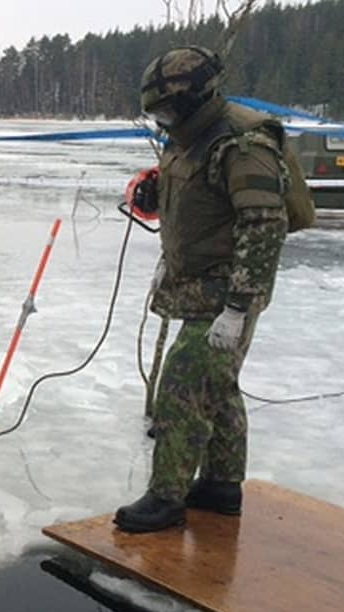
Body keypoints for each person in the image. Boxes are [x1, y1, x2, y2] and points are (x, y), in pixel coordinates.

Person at [114, 46, 289, 533]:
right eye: (158, 113)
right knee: (219, 388)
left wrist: (239, 307)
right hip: (193, 281)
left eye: (169, 110)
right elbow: (194, 201)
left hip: (227, 290)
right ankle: (221, 485)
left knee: (183, 390)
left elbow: (263, 225)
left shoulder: (242, 141)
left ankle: (166, 497)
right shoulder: (188, 139)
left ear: (196, 99)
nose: (164, 121)